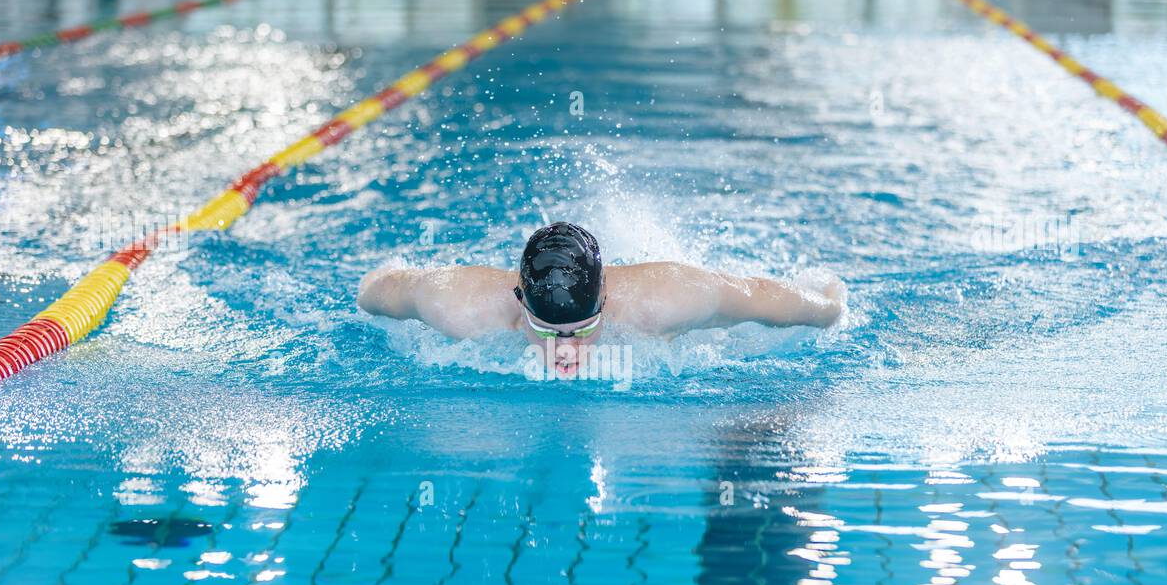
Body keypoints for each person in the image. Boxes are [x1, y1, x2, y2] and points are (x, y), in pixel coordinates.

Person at [357, 222, 847, 378]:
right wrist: (376, 279)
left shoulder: (667, 301)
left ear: (605, 300)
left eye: (581, 331)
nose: (565, 353)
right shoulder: (457, 305)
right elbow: (380, 291)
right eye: (547, 333)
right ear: (517, 300)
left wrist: (827, 306)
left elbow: (756, 296)